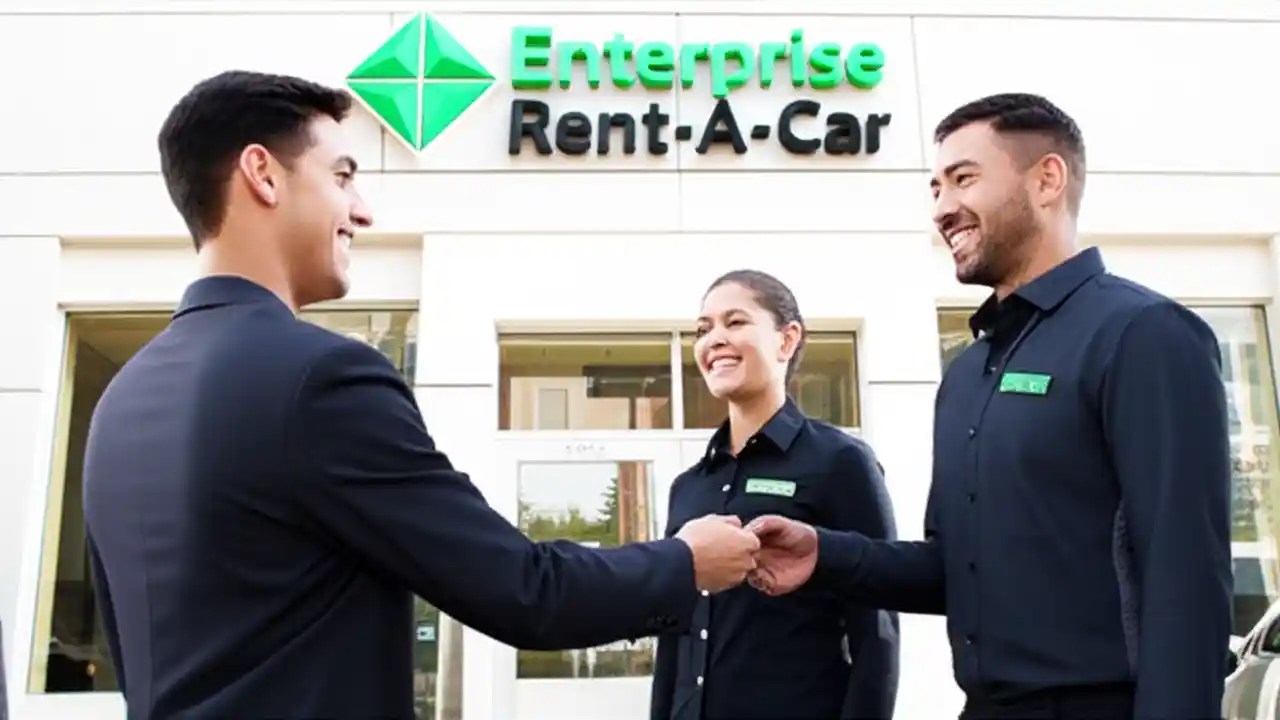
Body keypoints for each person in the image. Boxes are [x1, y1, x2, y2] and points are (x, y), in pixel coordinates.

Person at [80, 70, 761, 720]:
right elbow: (522, 589)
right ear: (262, 174)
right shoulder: (321, 379)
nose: (363, 212)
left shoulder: (120, 401)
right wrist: (684, 561)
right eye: (342, 177)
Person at [747, 92, 1232, 720]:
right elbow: (952, 568)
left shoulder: (1144, 335)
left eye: (964, 179)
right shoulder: (969, 372)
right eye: (935, 189)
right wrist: (825, 553)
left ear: (1047, 180)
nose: (944, 208)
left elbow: (1185, 581)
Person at [650, 269, 899, 720]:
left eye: (735, 322)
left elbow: (876, 634)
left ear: (787, 340)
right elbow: (674, 635)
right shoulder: (687, 487)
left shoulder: (841, 462)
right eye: (703, 330)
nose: (714, 340)